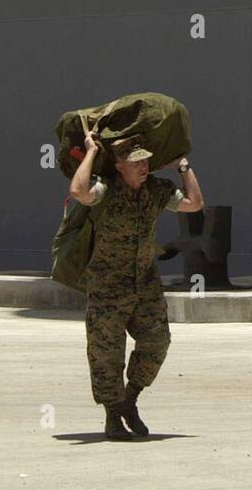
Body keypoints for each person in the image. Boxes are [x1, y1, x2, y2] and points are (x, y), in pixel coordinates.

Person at [70, 130, 204, 440]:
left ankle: (130, 399)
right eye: (135, 163)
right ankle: (113, 415)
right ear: (119, 166)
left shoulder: (157, 191)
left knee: (158, 342)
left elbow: (195, 204)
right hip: (107, 287)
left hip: (145, 285)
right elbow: (79, 192)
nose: (143, 167)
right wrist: (91, 152)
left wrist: (184, 166)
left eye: (145, 161)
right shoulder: (106, 190)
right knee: (106, 354)